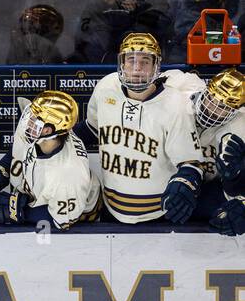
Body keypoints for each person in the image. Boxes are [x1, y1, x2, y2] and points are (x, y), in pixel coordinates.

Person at [85, 33, 205, 224]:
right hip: (110, 211)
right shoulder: (105, 88)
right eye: (130, 60)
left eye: (145, 61)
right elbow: (91, 129)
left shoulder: (175, 103)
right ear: (121, 64)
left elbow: (190, 163)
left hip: (158, 215)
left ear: (156, 66)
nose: (137, 68)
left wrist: (185, 184)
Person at [0, 90, 100, 230]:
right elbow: (17, 152)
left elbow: (60, 220)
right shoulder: (37, 132)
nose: (27, 119)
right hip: (48, 193)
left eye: (33, 118)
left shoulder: (68, 174)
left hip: (81, 213)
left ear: (48, 130)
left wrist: (17, 210)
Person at [186, 68, 245, 235]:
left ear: (236, 111)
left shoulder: (240, 128)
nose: (211, 108)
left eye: (222, 106)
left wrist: (236, 175)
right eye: (211, 99)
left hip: (210, 190)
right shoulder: (181, 99)